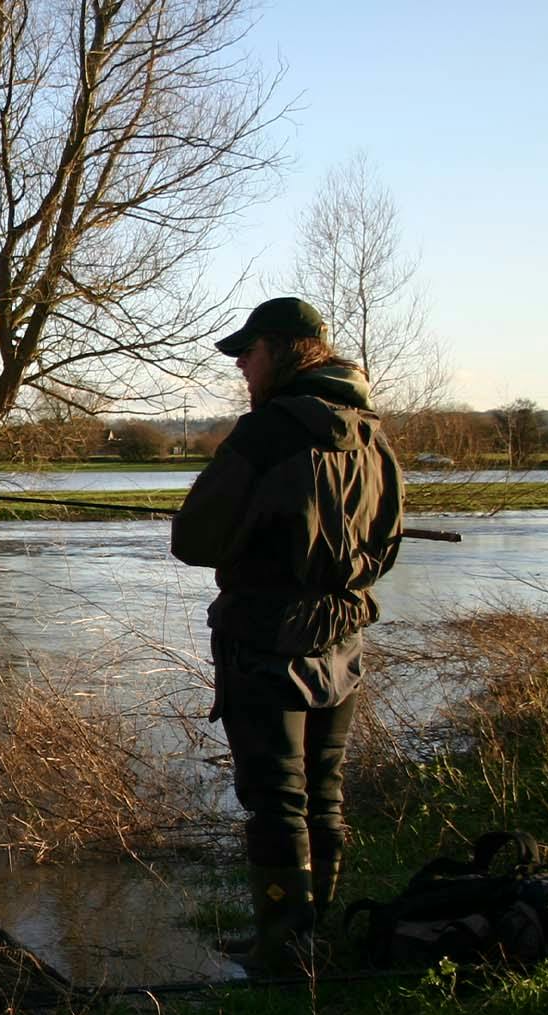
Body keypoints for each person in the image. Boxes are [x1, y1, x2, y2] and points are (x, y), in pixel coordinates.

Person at [172, 297, 404, 976]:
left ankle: (284, 949)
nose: (242, 365)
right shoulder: (372, 434)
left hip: (266, 642)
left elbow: (194, 539)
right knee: (321, 792)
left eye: (249, 352)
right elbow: (385, 548)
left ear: (285, 349)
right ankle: (311, 936)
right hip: (343, 641)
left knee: (276, 797)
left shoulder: (267, 432)